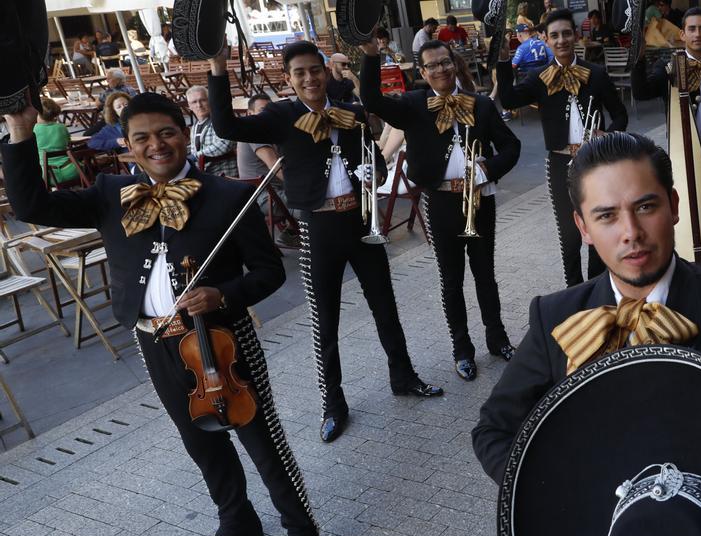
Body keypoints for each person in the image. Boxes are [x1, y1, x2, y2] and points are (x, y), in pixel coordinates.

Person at [1, 93, 322, 536]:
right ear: (128, 145)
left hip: (224, 337)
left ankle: (302, 531)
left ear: (185, 133)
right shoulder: (111, 193)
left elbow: (269, 271)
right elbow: (31, 207)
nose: (156, 144)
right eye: (142, 137)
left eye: (166, 132)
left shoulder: (229, 194)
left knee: (261, 439)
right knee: (200, 440)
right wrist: (19, 132)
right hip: (153, 340)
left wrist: (222, 295)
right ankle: (237, 520)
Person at [471, 132, 701, 485]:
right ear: (583, 228)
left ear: (674, 207)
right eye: (607, 216)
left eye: (645, 207)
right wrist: (565, 500)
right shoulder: (554, 317)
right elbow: (494, 430)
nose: (631, 232)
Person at [209, 41, 445, 443]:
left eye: (314, 70)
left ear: (324, 72)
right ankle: (333, 404)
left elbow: (380, 161)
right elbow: (226, 128)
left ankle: (403, 377)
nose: (308, 78)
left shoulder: (351, 113)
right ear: (289, 79)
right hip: (318, 229)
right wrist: (218, 68)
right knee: (326, 322)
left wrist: (374, 171)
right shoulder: (280, 116)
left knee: (385, 306)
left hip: (360, 220)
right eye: (299, 73)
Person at [359, 39, 521, 381]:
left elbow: (511, 145)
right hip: (442, 202)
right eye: (432, 65)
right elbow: (371, 100)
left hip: (479, 200)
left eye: (445, 62)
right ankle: (462, 350)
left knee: (485, 275)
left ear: (454, 64)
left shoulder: (480, 104)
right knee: (451, 280)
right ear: (423, 73)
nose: (440, 69)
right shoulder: (414, 104)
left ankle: (498, 338)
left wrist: (487, 170)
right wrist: (371, 56)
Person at [496, 8, 628, 287]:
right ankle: (574, 293)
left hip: (595, 162)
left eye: (566, 33)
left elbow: (620, 115)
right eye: (554, 35)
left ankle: (598, 290)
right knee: (569, 235)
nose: (561, 40)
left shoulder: (596, 73)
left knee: (597, 229)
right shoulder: (540, 78)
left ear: (576, 34)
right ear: (545, 39)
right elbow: (507, 100)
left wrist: (607, 134)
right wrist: (503, 60)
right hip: (560, 164)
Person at [632, 7, 701, 275]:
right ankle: (687, 266)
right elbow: (642, 91)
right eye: (692, 29)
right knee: (682, 211)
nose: (697, 34)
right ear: (682, 34)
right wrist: (637, 61)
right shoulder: (670, 67)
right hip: (682, 157)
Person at [235, 94, 300, 248]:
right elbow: (275, 165)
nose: (267, 115)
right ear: (250, 114)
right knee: (314, 203)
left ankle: (291, 232)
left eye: (270, 111)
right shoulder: (254, 131)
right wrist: (301, 186)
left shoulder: (264, 130)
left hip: (271, 193)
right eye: (262, 110)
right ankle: (292, 235)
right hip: (266, 198)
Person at [186, 85, 238, 178]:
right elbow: (194, 150)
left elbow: (225, 144)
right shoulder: (194, 127)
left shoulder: (221, 120)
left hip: (224, 176)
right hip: (205, 174)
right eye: (194, 102)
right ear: (189, 106)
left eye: (203, 100)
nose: (199, 105)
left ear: (210, 101)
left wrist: (195, 156)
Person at [32, 98, 80, 188]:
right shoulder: (62, 127)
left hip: (48, 174)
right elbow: (68, 143)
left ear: (38, 115)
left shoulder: (34, 130)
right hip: (72, 170)